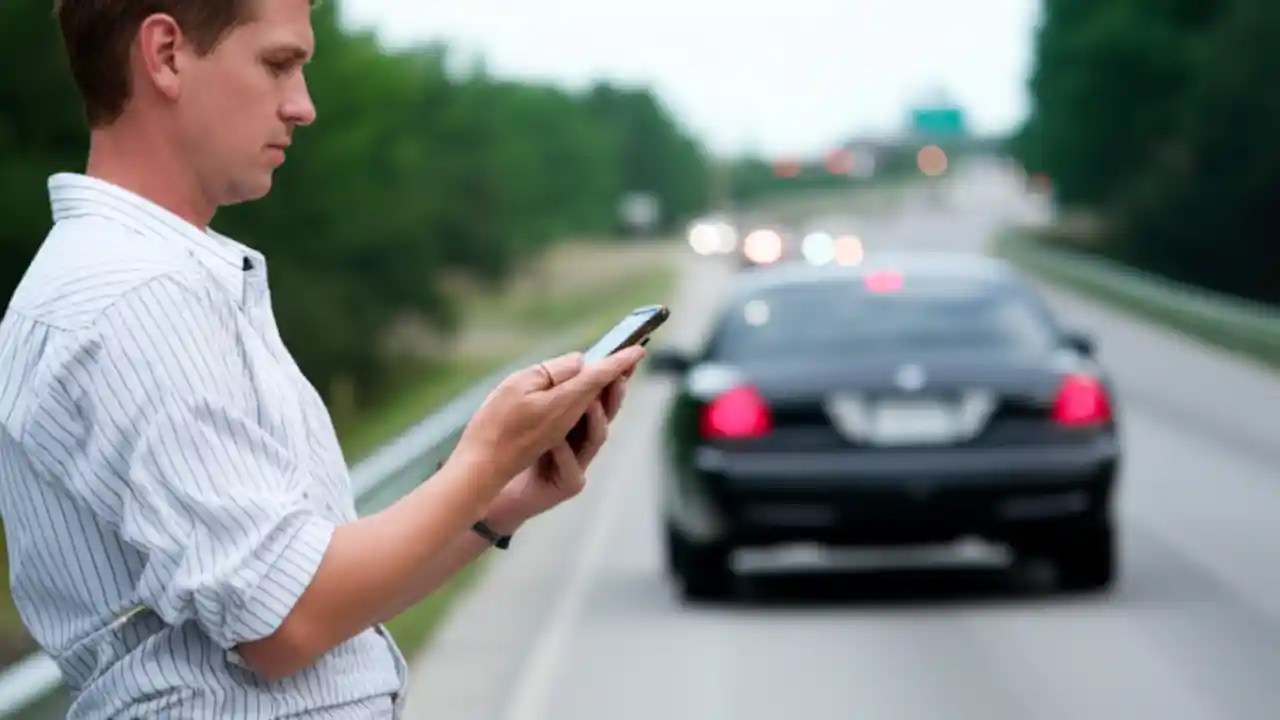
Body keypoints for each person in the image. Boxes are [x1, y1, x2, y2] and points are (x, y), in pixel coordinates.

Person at [0, 1, 644, 717]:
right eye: (278, 64)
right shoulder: (141, 299)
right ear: (165, 55)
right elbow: (284, 625)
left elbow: (311, 601)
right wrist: (484, 459)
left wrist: (494, 504)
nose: (303, 106)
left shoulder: (134, 281)